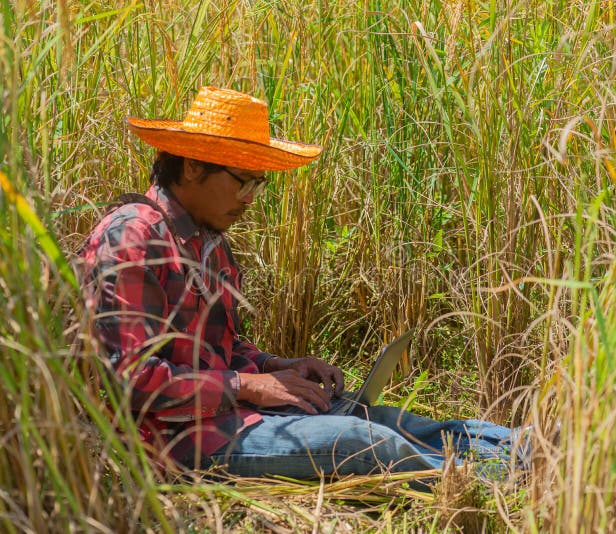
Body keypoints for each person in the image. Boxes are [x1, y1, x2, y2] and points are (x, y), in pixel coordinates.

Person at [79, 86, 523, 483]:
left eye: (259, 184)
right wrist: (248, 387)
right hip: (173, 441)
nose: (250, 198)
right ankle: (489, 482)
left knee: (380, 418)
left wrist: (275, 366)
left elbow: (218, 351)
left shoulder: (209, 244)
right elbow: (131, 381)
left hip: (232, 416)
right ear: (193, 166)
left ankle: (534, 449)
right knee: (359, 439)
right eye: (242, 181)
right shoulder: (133, 237)